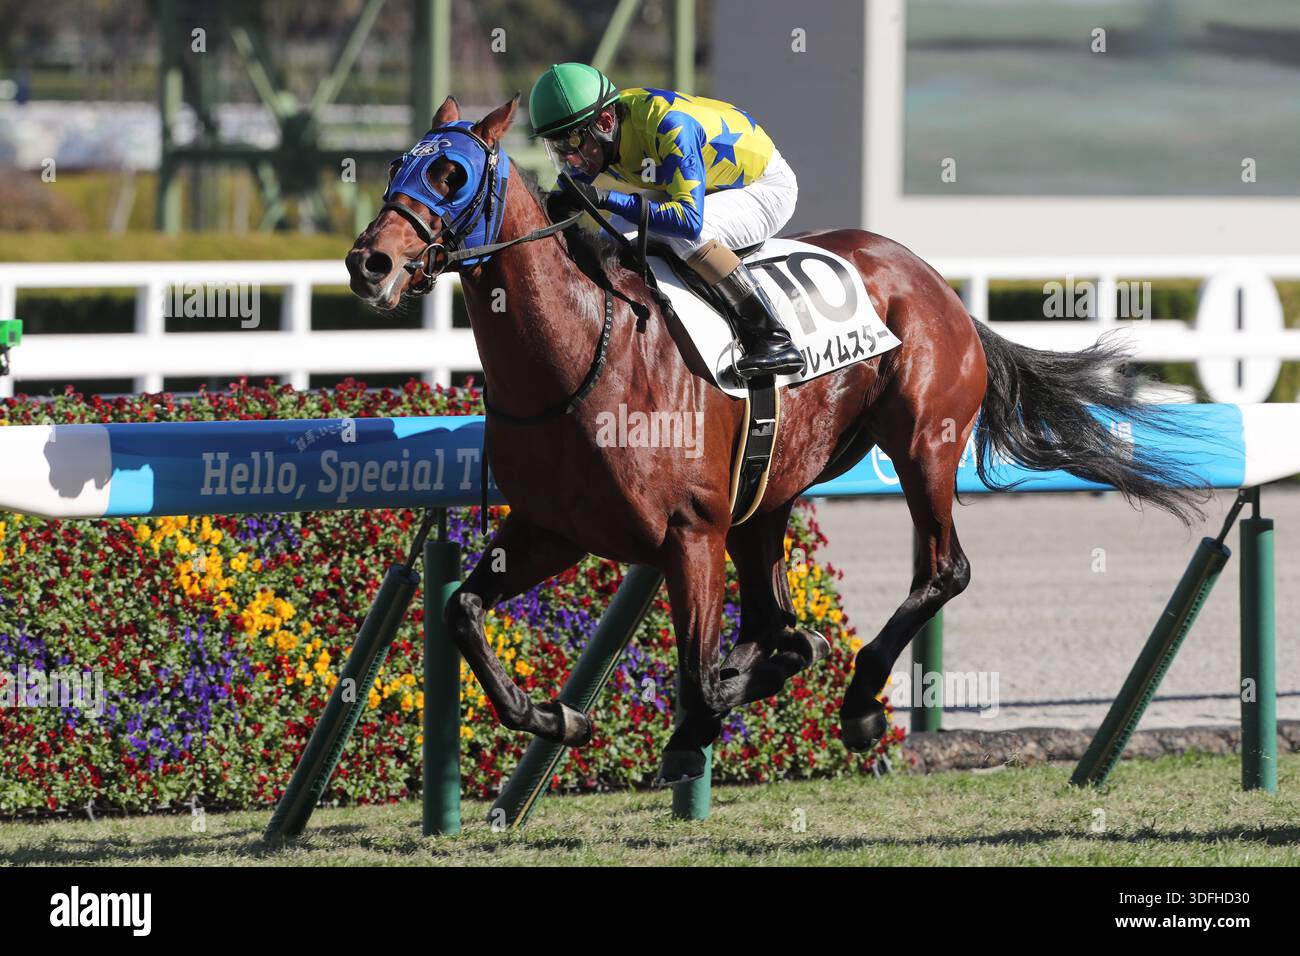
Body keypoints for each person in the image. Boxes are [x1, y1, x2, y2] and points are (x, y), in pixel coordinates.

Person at [529, 63, 806, 379]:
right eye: (557, 147)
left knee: (686, 237)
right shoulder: (601, 131)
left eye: (571, 144)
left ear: (605, 121)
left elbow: (689, 220)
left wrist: (605, 199)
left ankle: (773, 337)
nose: (569, 160)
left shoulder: (670, 127)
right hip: (712, 184)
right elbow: (560, 203)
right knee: (614, 235)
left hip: (764, 187)